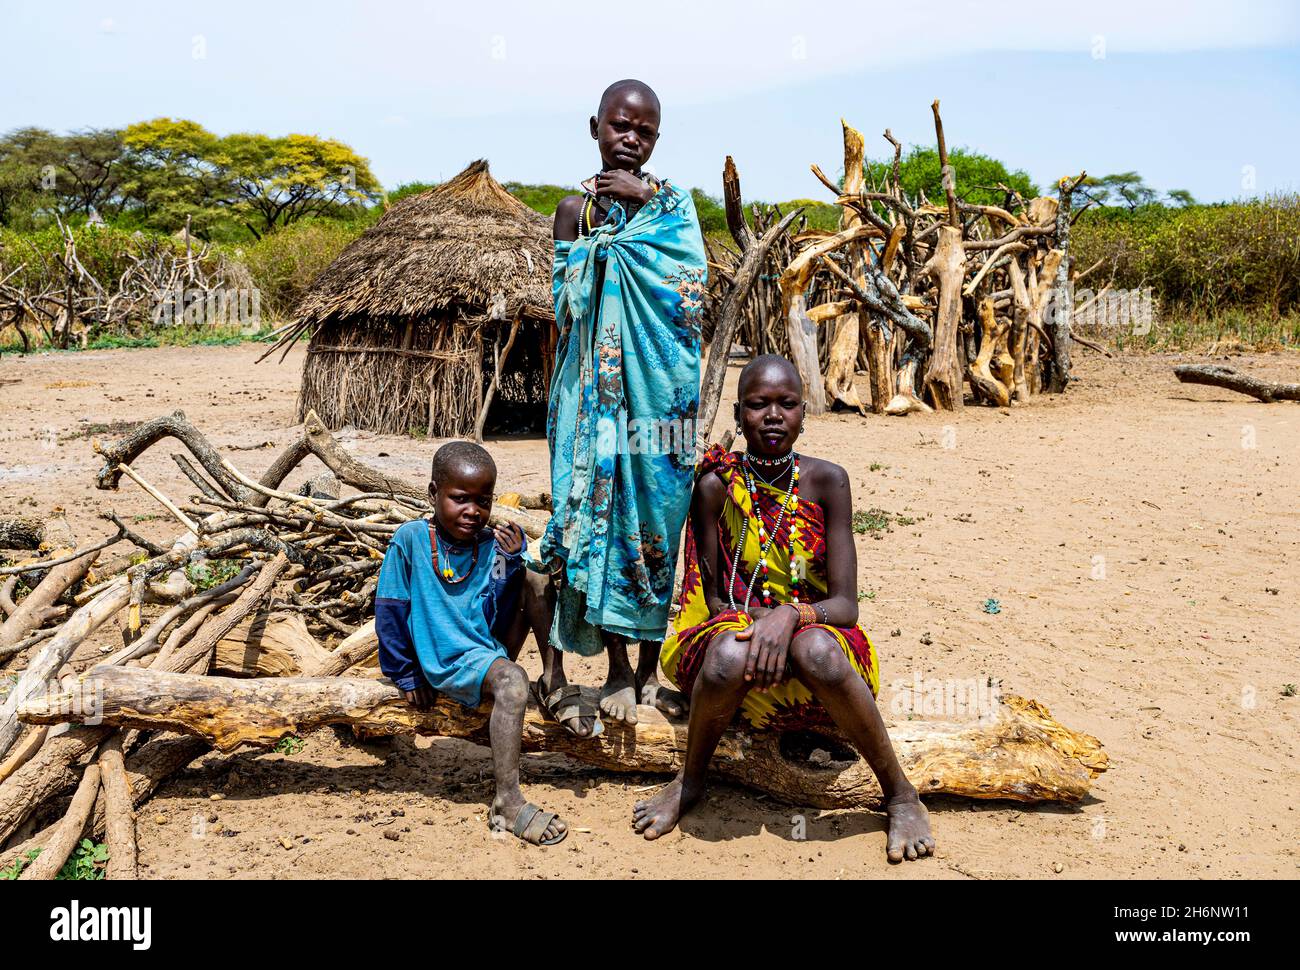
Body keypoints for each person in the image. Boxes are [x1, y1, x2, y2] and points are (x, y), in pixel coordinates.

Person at [632, 355, 936, 863]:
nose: (773, 415)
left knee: (815, 648)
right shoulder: (715, 486)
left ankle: (901, 794)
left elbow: (845, 606)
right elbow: (714, 598)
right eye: (758, 404)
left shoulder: (828, 482)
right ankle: (690, 780)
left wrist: (790, 616)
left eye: (787, 403)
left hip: (821, 657)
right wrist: (760, 625)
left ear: (804, 411)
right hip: (737, 654)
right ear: (738, 413)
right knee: (729, 653)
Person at [536, 78, 705, 733]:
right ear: (595, 127)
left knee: (655, 525)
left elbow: (692, 294)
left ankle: (650, 670)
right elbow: (559, 308)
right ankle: (613, 670)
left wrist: (650, 201)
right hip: (586, 398)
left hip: (657, 404)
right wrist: (563, 403)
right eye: (620, 126)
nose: (630, 140)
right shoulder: (569, 214)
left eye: (645, 132)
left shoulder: (674, 211)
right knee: (593, 525)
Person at [376, 440, 567, 846]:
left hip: (484, 645)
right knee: (514, 682)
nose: (472, 511)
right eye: (459, 499)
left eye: (483, 501)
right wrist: (407, 674)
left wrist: (512, 562)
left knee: (536, 578)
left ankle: (555, 680)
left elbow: (497, 609)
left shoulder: (489, 544)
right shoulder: (410, 540)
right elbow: (390, 611)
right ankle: (508, 801)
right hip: (445, 657)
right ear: (433, 494)